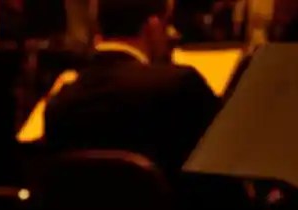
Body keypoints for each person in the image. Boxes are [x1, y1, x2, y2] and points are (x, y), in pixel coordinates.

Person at [44, 0, 219, 173]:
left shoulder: (60, 102)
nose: (172, 35)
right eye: (168, 24)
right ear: (153, 26)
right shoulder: (180, 85)